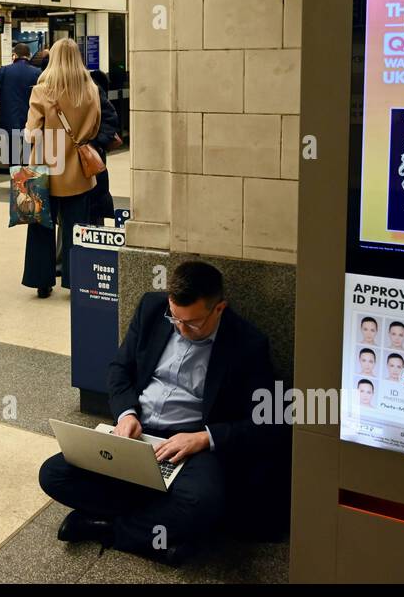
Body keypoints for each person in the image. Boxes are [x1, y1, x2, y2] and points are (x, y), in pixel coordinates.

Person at [39, 261, 279, 564]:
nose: (181, 329)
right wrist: (126, 414)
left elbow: (267, 424)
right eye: (175, 318)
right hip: (138, 433)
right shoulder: (152, 309)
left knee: (203, 502)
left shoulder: (247, 344)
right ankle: (158, 528)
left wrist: (203, 439)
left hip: (189, 446)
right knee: (54, 474)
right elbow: (119, 369)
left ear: (219, 309)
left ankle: (108, 527)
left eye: (192, 324)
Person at [22, 38, 100, 298]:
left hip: (44, 167)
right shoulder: (91, 90)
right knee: (76, 227)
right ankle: (74, 281)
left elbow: (32, 134)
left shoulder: (42, 90)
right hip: (77, 169)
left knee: (41, 226)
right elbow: (96, 128)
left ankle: (41, 281)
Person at [0, 42, 40, 155]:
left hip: (9, 120)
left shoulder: (4, 71)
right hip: (30, 121)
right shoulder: (37, 72)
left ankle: (15, 171)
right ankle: (27, 171)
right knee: (28, 156)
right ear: (29, 55)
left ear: (14, 55)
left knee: (13, 156)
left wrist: (6, 96)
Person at [86, 68, 119, 224]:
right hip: (67, 160)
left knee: (94, 206)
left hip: (90, 157)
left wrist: (96, 144)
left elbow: (109, 118)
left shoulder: (91, 87)